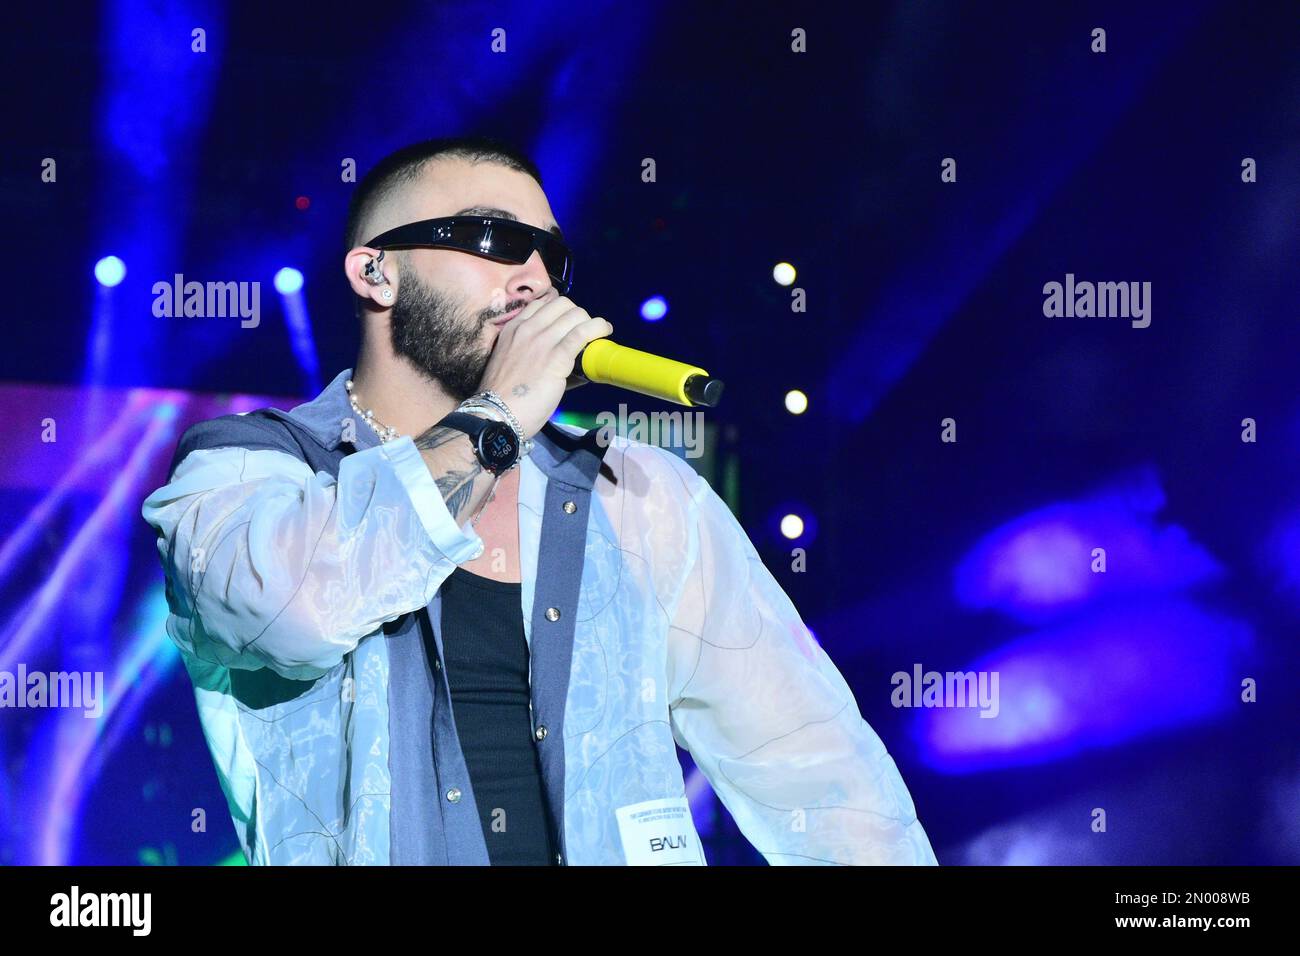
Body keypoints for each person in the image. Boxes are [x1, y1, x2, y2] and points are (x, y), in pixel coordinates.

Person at [140, 135, 939, 866]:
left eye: (550, 257)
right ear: (374, 271)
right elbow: (286, 613)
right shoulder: (250, 471)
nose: (533, 277)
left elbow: (817, 773)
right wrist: (495, 419)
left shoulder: (641, 496)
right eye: (492, 240)